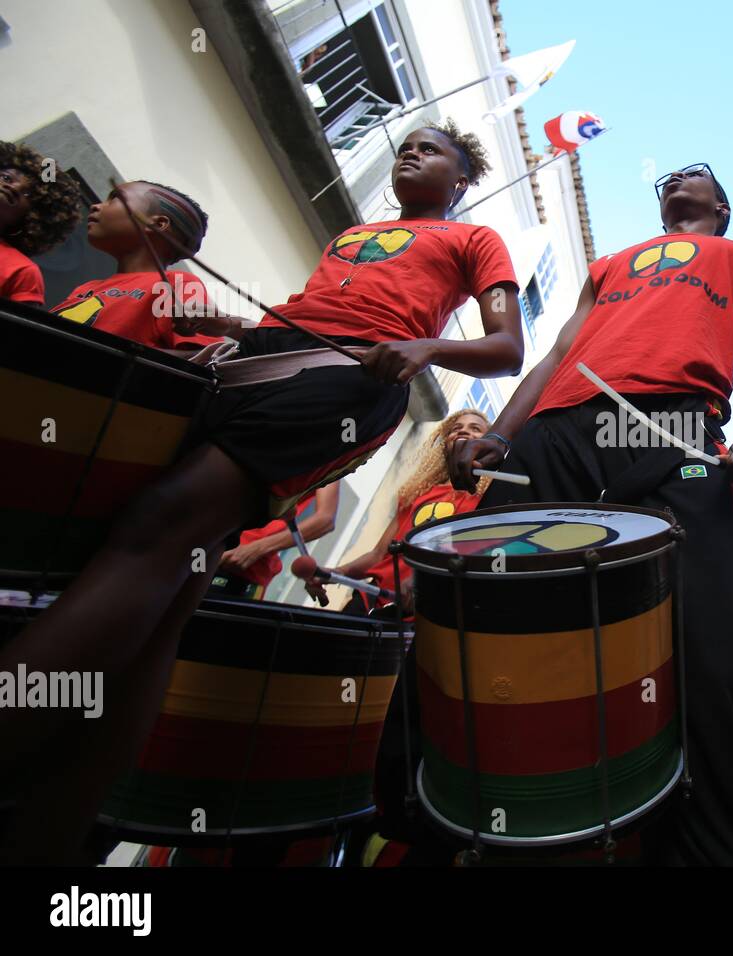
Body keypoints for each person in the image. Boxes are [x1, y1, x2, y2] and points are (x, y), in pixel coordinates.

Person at [0, 119, 524, 864]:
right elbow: (306, 311)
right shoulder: (351, 236)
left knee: (158, 525)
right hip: (262, 357)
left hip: (351, 381)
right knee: (168, 600)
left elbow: (507, 348)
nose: (412, 151)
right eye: (406, 142)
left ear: (461, 181)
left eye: (432, 149)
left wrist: (429, 346)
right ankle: (51, 838)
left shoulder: (474, 242)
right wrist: (235, 328)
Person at [450, 162, 733, 866]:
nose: (674, 180)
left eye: (693, 174)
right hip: (558, 426)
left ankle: (718, 843)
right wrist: (502, 434)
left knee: (701, 646)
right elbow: (555, 353)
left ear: (722, 203)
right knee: (481, 606)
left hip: (677, 429)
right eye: (665, 176)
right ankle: (448, 816)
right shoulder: (609, 265)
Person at [306, 408, 490, 614]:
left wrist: (422, 581)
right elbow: (378, 555)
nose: (463, 432)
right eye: (456, 428)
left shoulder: (488, 500)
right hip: (372, 598)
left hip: (423, 613)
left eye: (475, 429)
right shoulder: (417, 493)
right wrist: (334, 574)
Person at [48, 180, 236, 347]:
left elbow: (201, 361)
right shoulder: (86, 288)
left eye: (115, 199)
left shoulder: (177, 284)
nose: (96, 206)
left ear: (158, 224)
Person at [213, 482, 341, 600]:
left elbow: (325, 520)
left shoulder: (328, 461)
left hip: (243, 569)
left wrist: (255, 549)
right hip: (210, 544)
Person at [0, 141, 81, 304]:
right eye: (6, 177)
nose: (14, 187)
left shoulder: (22, 272)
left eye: (29, 194)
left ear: (34, 217)